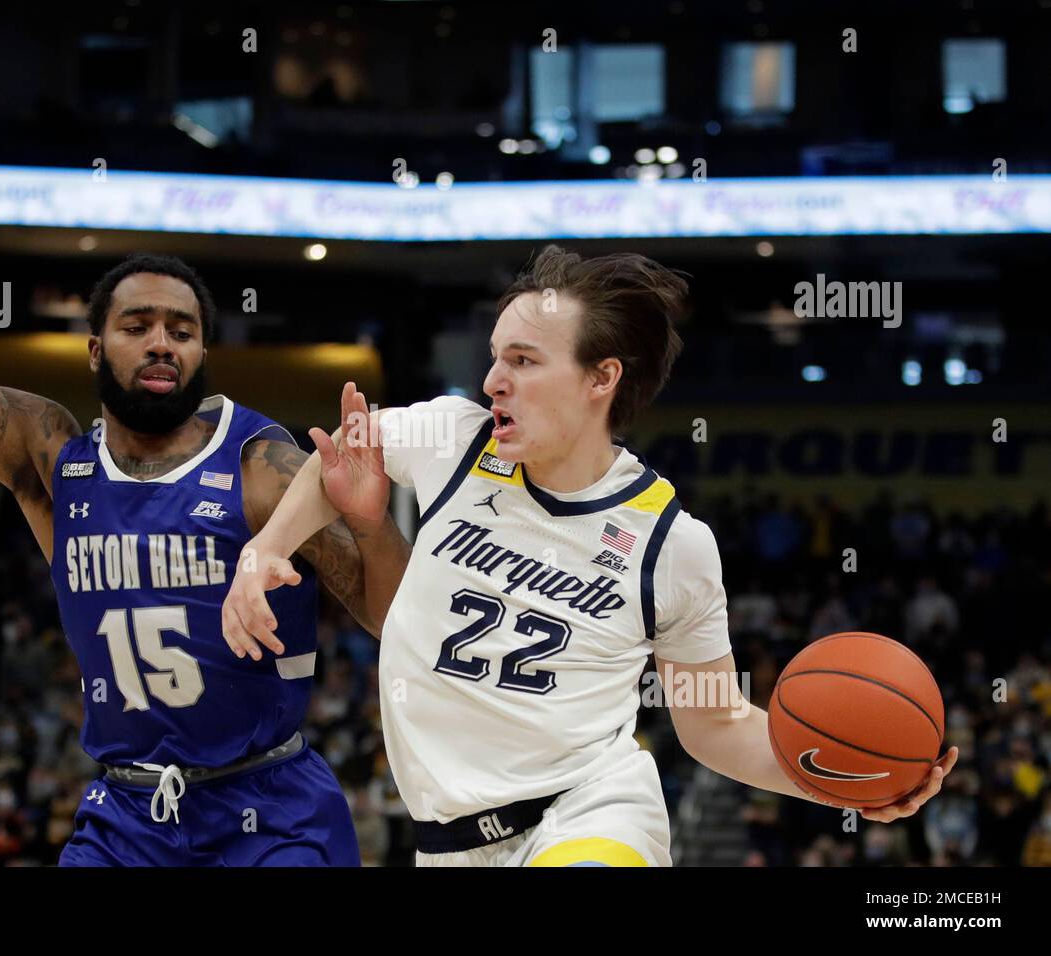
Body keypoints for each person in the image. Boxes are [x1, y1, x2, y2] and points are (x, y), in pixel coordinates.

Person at [0, 21, 403, 866]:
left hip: (270, 811)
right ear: (93, 350)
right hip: (127, 812)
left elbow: (382, 612)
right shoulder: (52, 459)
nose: (161, 342)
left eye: (182, 329)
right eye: (138, 324)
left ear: (201, 353)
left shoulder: (262, 467)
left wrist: (371, 525)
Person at [223, 245, 959, 866]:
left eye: (523, 360)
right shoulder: (453, 440)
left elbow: (715, 721)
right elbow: (334, 458)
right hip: (445, 843)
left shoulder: (672, 545)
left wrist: (847, 780)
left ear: (601, 378)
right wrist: (265, 551)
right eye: (493, 358)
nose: (492, 382)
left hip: (588, 816)